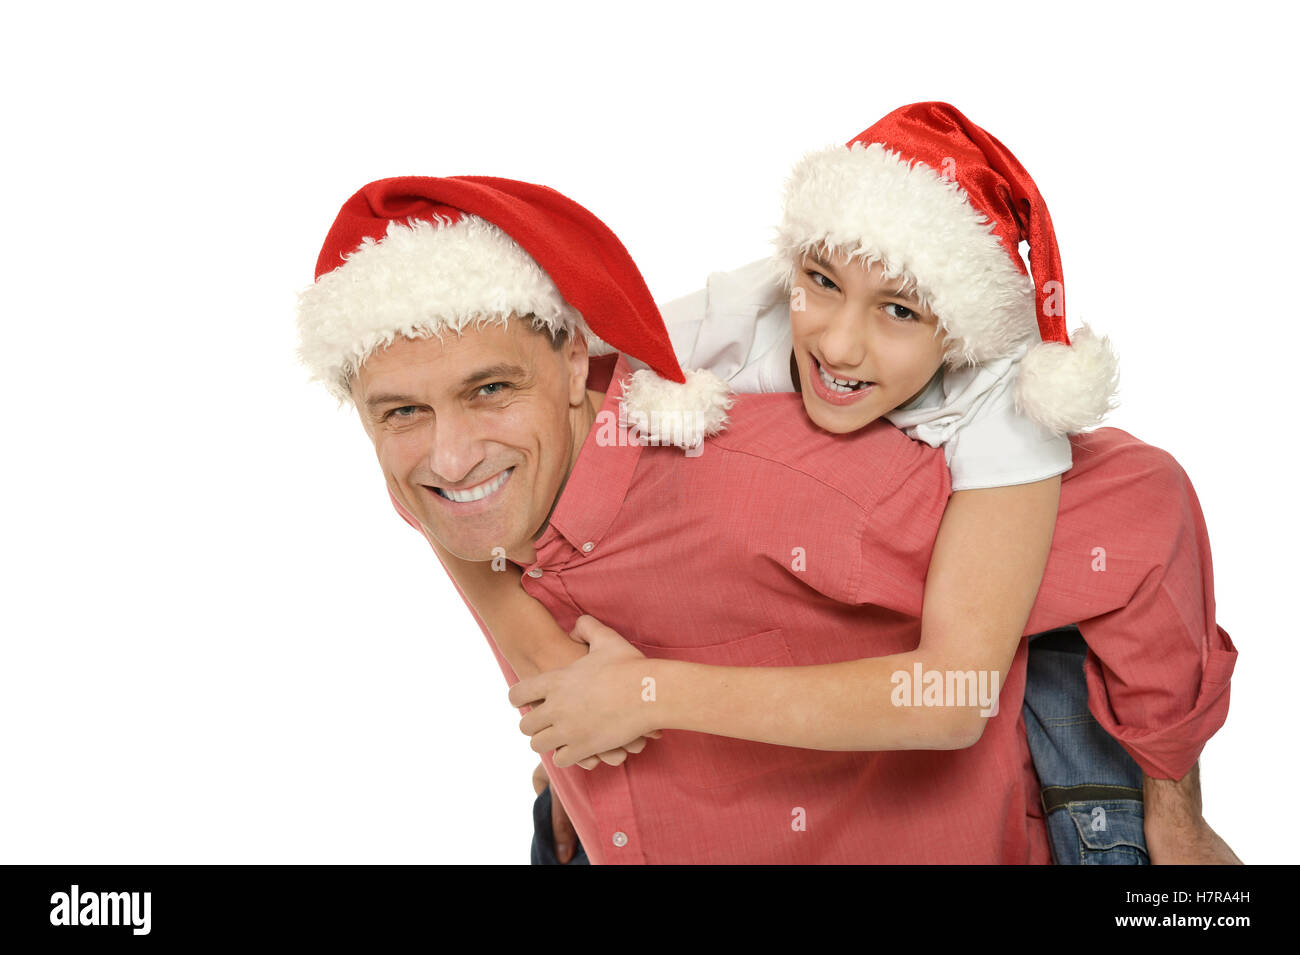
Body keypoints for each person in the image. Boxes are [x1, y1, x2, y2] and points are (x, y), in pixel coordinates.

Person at [296, 174, 1236, 864]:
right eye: (399, 413)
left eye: (490, 390)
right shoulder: (458, 464)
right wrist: (541, 660)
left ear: (576, 370)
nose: (450, 455)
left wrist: (1174, 794)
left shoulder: (800, 485)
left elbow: (1140, 508)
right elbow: (454, 502)